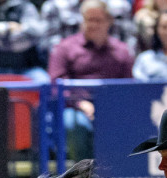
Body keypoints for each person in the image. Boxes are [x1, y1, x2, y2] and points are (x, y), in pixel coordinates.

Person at [49, 0, 133, 160]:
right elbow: (57, 85)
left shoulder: (122, 51)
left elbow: (128, 88)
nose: (92, 24)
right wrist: (81, 104)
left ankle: (117, 177)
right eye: (88, 19)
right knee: (75, 125)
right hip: (75, 108)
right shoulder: (65, 48)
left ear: (109, 21)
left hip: (112, 108)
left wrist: (108, 107)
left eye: (98, 20)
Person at [41, 0, 137, 58]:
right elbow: (50, 46)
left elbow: (130, 42)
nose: (94, 25)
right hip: (72, 65)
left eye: (98, 20)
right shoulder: (54, 5)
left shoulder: (121, 6)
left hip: (114, 62)